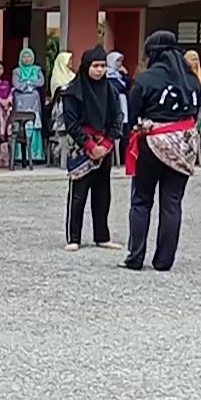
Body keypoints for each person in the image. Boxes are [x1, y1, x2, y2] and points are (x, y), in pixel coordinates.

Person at [122, 30, 200, 272]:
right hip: (185, 143)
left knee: (142, 200)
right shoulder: (193, 80)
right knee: (172, 203)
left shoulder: (146, 79)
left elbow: (132, 115)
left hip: (152, 143)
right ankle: (164, 260)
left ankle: (135, 257)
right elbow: (196, 113)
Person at [61, 47, 123, 251]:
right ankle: (74, 237)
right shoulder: (72, 91)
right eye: (95, 66)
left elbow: (117, 118)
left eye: (103, 66)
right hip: (81, 146)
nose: (99, 70)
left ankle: (102, 235)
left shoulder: (111, 90)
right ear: (86, 66)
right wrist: (88, 145)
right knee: (78, 193)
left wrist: (106, 144)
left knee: (102, 192)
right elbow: (70, 122)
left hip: (104, 145)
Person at [12, 47, 46, 163]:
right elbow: (16, 83)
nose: (27, 59)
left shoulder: (37, 69)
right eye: (24, 57)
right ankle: (20, 155)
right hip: (20, 100)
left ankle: (36, 155)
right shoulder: (16, 71)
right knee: (21, 126)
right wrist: (29, 85)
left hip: (34, 101)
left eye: (29, 57)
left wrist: (27, 83)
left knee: (34, 125)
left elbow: (41, 82)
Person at [47, 51, 75, 139]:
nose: (71, 62)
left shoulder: (72, 75)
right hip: (60, 106)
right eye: (69, 60)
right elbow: (57, 91)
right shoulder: (57, 77)